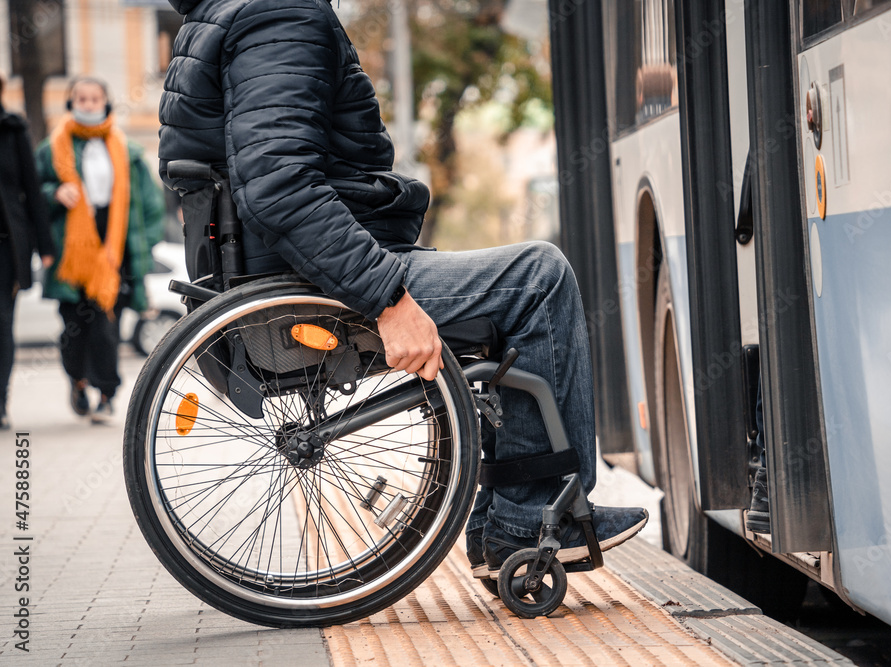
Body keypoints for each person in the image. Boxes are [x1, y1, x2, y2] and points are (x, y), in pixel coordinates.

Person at [158, 0, 646, 580]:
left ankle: (507, 527)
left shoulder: (220, 15)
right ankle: (534, 521)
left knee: (512, 287)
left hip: (274, 274)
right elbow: (280, 186)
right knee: (539, 278)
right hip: (306, 282)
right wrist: (388, 300)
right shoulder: (280, 12)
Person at [36, 77, 164, 424]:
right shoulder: (51, 148)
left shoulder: (127, 152)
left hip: (113, 253)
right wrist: (54, 194)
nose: (88, 104)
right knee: (73, 330)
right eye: (81, 98)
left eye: (95, 98)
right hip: (71, 257)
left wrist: (143, 245)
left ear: (105, 102)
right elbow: (32, 196)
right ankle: (77, 381)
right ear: (71, 103)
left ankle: (107, 394)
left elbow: (151, 205)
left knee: (107, 330)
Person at [0, 75, 55, 430]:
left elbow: (32, 191)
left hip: (6, 247)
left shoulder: (13, 129)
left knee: (2, 324)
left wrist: (44, 245)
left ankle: (0, 401)